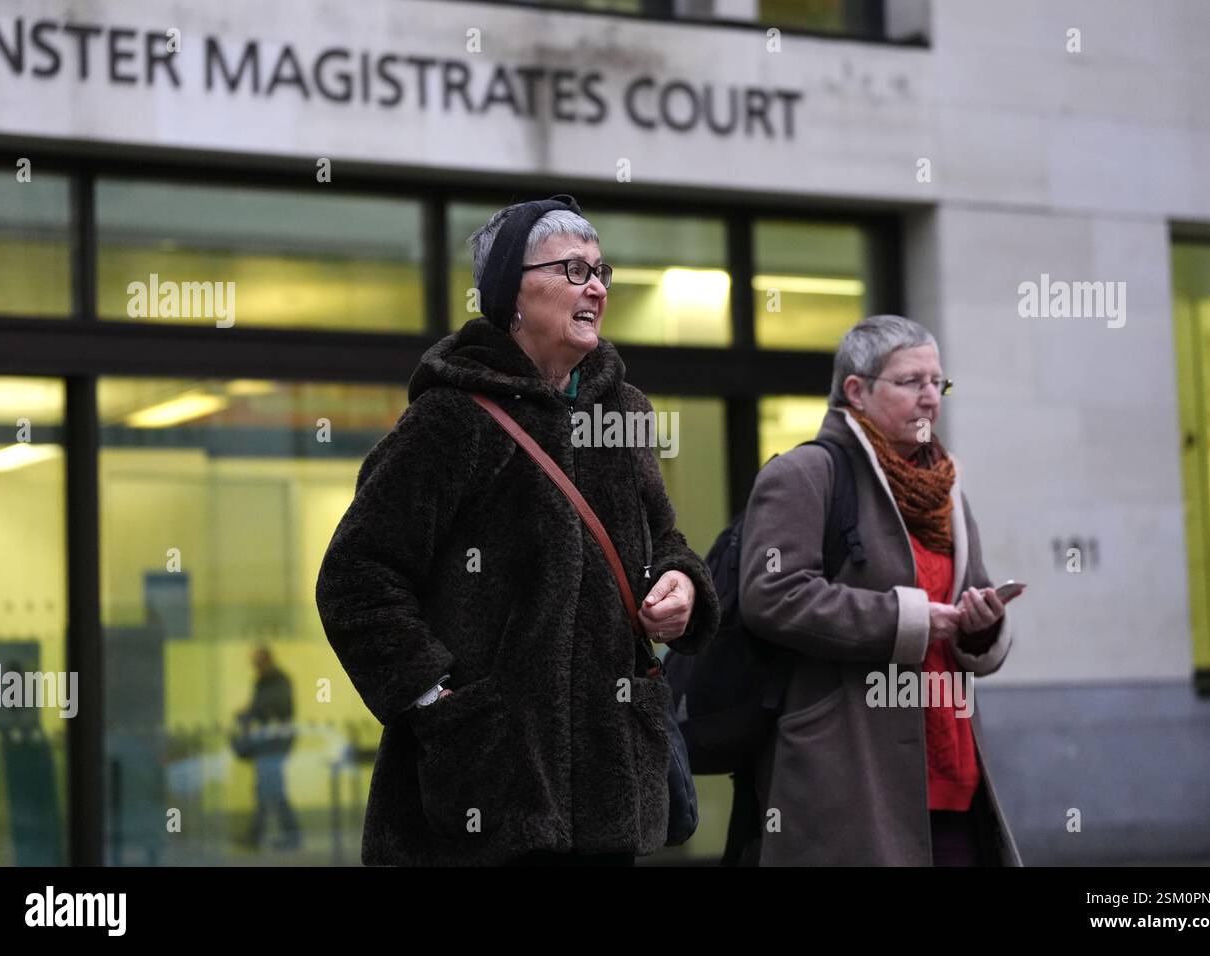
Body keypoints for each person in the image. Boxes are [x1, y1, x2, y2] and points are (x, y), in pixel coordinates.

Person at [315, 194, 719, 866]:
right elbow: (356, 577)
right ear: (512, 295)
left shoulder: (625, 412)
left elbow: (663, 540)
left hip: (609, 792)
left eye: (600, 271)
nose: (594, 286)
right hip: (483, 798)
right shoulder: (451, 419)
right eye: (571, 270)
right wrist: (437, 698)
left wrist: (681, 585)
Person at [738, 314, 1023, 866]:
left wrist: (981, 621)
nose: (929, 399)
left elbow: (972, 590)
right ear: (856, 391)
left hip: (954, 776)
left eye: (936, 382)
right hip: (851, 778)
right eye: (910, 382)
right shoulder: (805, 474)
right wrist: (911, 620)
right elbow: (772, 594)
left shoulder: (945, 487)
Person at [234, 645, 300, 851]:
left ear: (266, 660)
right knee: (266, 789)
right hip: (270, 741)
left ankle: (288, 836)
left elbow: (272, 708)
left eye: (257, 661)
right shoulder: (267, 681)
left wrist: (248, 714)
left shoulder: (277, 681)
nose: (255, 666)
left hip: (275, 742)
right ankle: (261, 835)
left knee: (271, 789)